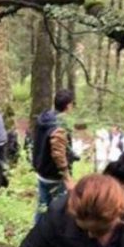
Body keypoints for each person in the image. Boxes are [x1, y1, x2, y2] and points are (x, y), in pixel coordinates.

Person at [32, 89, 78, 223]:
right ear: (68, 105)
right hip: (55, 176)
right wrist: (67, 177)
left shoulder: (45, 118)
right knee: (59, 210)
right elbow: (58, 154)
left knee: (42, 207)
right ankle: (53, 233)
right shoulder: (58, 126)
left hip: (42, 171)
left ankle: (37, 231)